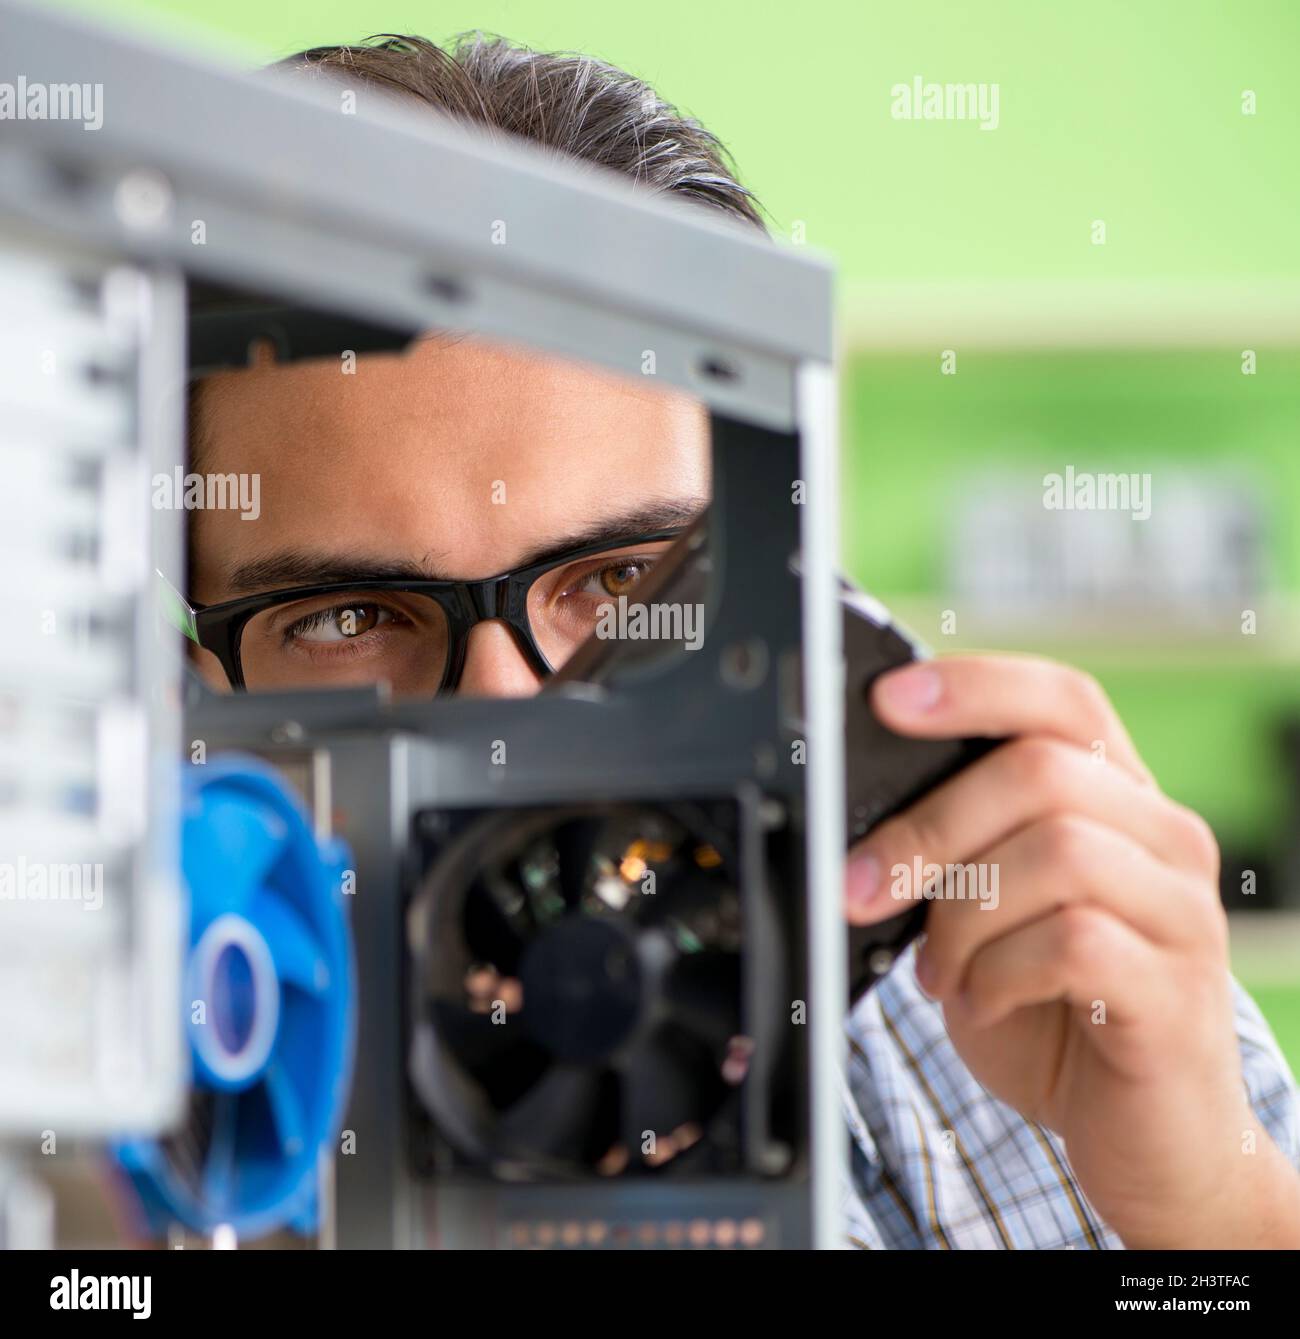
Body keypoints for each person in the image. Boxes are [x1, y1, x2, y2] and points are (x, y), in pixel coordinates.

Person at [180, 32, 1300, 1248]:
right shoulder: (111, 1133)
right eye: (347, 618)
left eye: (621, 582)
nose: (512, 723)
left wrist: (1208, 1215)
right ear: (190, 694)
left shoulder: (1038, 992)